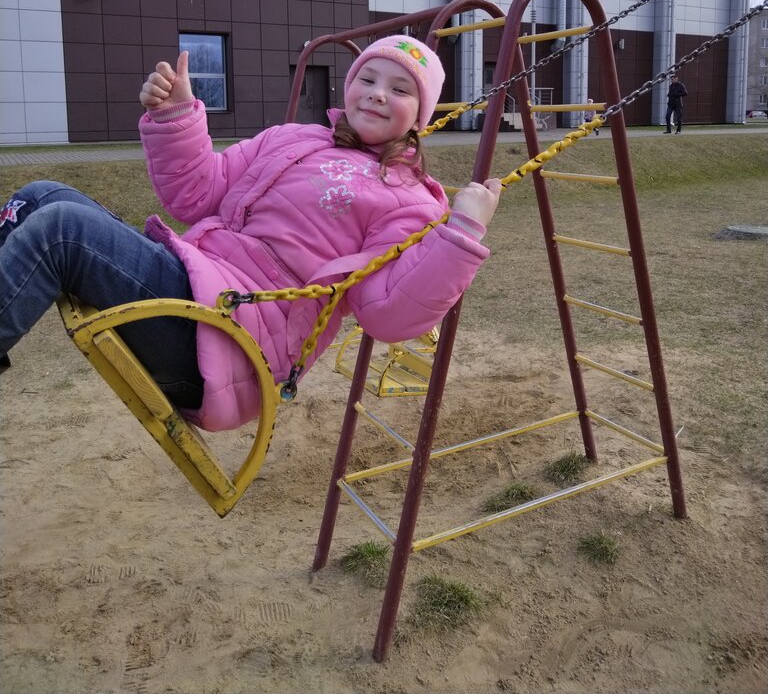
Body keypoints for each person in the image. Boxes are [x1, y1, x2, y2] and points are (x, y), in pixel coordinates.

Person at [0, 35, 502, 432]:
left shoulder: (411, 200)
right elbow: (199, 194)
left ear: (422, 114)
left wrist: (462, 232)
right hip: (196, 289)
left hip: (227, 342)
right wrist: (176, 115)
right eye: (367, 78)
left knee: (61, 231)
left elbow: (389, 315)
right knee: (42, 194)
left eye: (399, 88)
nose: (376, 92)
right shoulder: (292, 139)